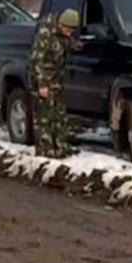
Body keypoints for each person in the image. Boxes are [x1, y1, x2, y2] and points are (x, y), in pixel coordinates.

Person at [28, 8, 80, 159]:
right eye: (68, 29)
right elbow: (36, 61)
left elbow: (66, 42)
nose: (69, 33)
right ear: (61, 25)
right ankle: (45, 150)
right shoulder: (45, 34)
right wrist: (42, 84)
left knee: (59, 113)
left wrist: (75, 45)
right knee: (45, 115)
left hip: (57, 79)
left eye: (72, 30)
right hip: (43, 79)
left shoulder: (64, 33)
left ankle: (61, 145)